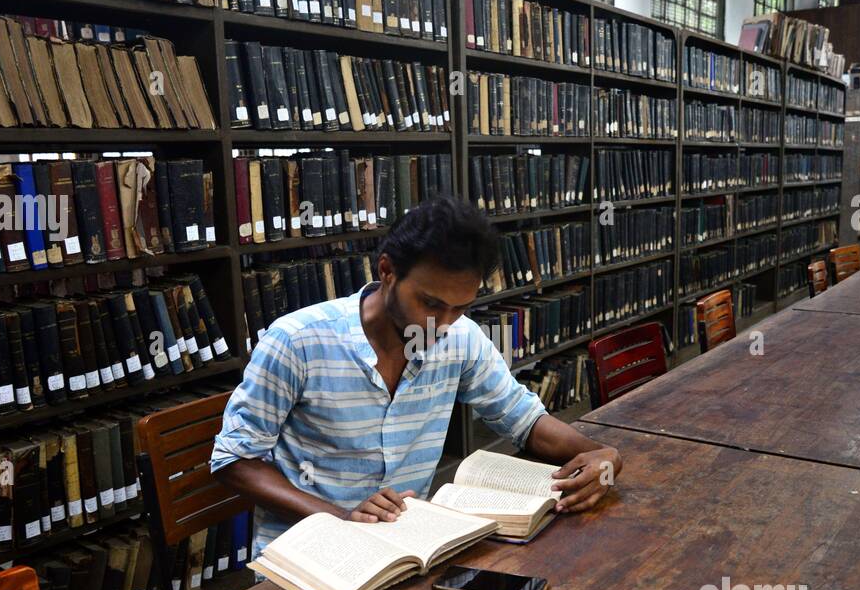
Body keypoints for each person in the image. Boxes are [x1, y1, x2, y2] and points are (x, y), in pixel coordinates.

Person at [211, 194, 624, 557]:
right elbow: (234, 461)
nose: (442, 324)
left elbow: (525, 421)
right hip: (308, 551)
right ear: (387, 271)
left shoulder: (459, 339)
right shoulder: (298, 341)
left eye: (459, 307)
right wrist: (339, 517)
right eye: (430, 303)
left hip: (404, 549)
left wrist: (600, 453)